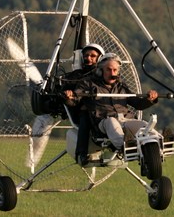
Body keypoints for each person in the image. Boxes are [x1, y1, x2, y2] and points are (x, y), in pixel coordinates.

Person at [64, 53, 158, 162]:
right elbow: (75, 100)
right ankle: (125, 146)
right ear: (101, 71)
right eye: (108, 70)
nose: (112, 73)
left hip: (125, 119)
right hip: (103, 122)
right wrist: (69, 96)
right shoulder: (88, 83)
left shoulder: (121, 86)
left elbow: (137, 103)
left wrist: (150, 99)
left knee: (144, 125)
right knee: (112, 122)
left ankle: (157, 142)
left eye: (115, 70)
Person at [26, 43, 104, 171]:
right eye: (86, 56)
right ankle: (82, 153)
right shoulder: (75, 76)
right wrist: (67, 95)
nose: (88, 58)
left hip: (105, 112)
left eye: (93, 56)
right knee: (86, 116)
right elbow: (64, 90)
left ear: (100, 58)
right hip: (83, 113)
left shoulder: (105, 76)